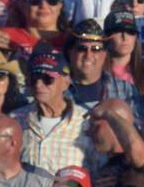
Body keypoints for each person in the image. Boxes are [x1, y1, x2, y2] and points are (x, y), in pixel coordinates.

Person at [12, 47, 92, 175]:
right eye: (34, 78)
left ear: (66, 82)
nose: (38, 84)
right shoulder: (14, 119)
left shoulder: (86, 121)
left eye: (47, 79)